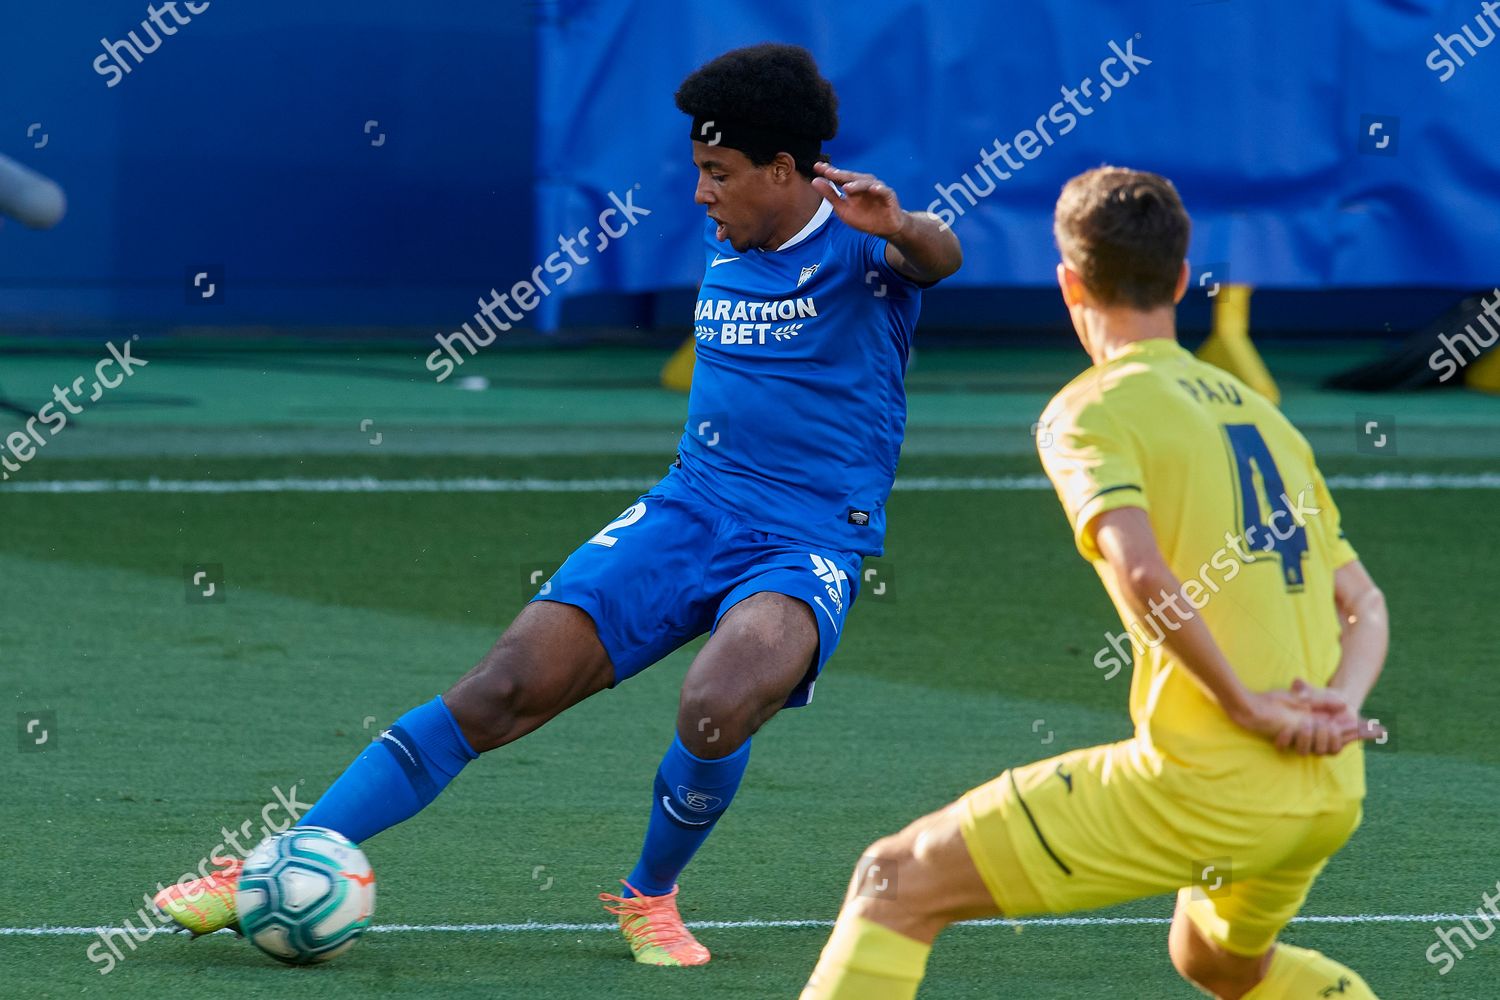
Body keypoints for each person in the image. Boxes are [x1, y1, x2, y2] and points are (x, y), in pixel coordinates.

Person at [152, 42, 961, 968]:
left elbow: (940, 257)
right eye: (698, 169)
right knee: (502, 688)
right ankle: (279, 861)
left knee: (718, 702)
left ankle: (649, 897)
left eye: (718, 173)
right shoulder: (735, 231)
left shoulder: (867, 245)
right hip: (689, 509)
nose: (700, 193)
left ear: (783, 171)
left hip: (805, 540)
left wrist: (903, 225)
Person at [800, 166, 1386, 999]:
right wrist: (1338, 707)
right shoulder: (1265, 416)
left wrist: (1251, 709)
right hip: (1328, 787)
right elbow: (1364, 602)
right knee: (1214, 959)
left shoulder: (1089, 410)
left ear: (1069, 283)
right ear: (1181, 281)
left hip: (1212, 786)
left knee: (893, 882)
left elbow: (1142, 571)